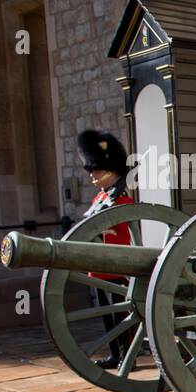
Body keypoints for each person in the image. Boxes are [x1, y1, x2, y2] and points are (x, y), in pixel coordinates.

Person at [77, 129, 134, 368]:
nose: (92, 174)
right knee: (107, 315)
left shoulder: (122, 199)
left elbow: (121, 228)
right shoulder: (99, 198)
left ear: (109, 168)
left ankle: (127, 357)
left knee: (120, 315)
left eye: (95, 169)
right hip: (98, 265)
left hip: (115, 263)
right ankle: (114, 354)